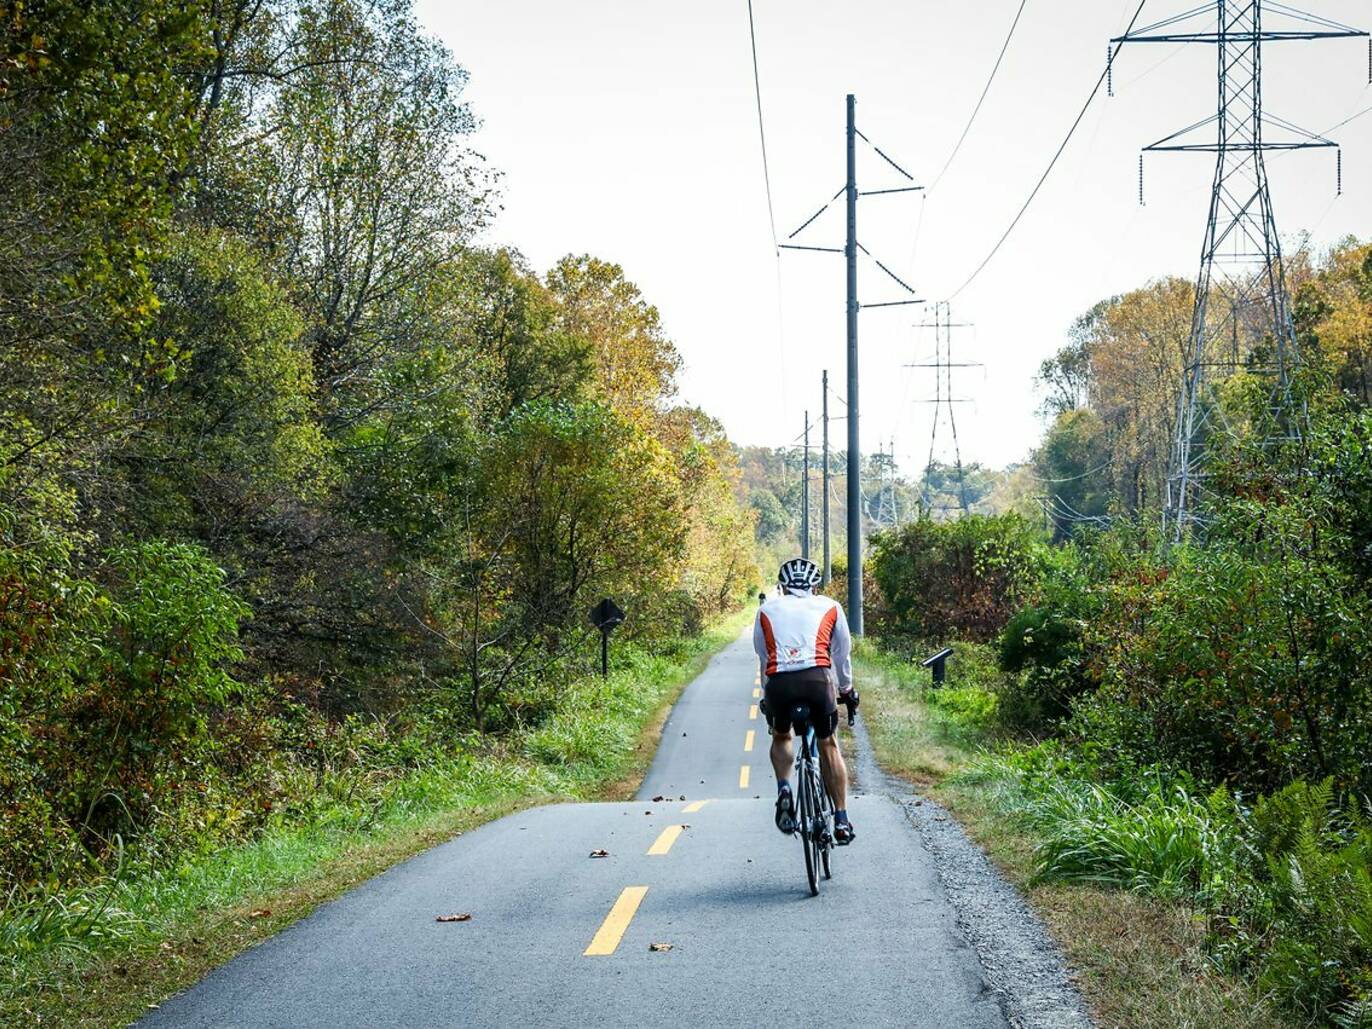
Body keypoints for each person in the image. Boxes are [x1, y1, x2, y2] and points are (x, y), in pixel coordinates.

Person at [753, 557, 860, 844]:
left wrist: (766, 696)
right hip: (817, 681)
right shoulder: (830, 606)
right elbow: (841, 654)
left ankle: (784, 789)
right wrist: (847, 689)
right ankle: (841, 819)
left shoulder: (765, 609)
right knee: (828, 744)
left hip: (780, 684)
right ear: (815, 585)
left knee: (781, 736)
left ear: (783, 586)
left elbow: (764, 657)